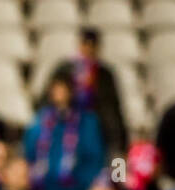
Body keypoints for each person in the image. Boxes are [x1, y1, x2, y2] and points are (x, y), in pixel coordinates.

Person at [53, 29, 127, 158]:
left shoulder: (104, 74)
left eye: (92, 45)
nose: (88, 49)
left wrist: (121, 143)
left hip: (98, 129)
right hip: (67, 128)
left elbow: (114, 107)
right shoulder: (64, 70)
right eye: (85, 44)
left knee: (106, 166)